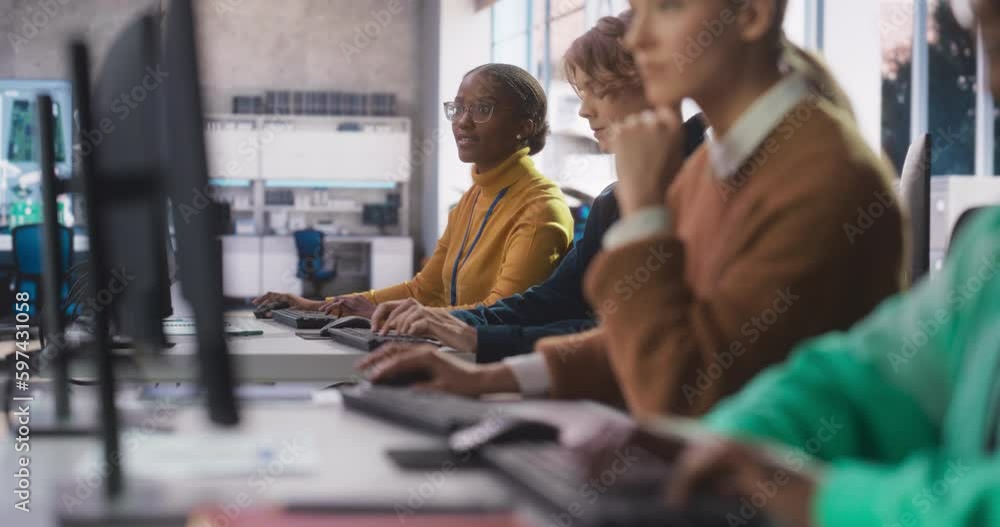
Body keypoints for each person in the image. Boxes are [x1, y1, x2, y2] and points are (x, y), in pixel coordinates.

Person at [360, 0, 907, 418]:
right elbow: (634, 338)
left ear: (754, 14)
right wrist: (485, 378)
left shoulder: (818, 174)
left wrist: (645, 211)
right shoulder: (718, 163)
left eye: (664, 9)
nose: (640, 37)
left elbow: (679, 388)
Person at [652, 1, 1000, 526]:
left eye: (665, 7)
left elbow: (686, 379)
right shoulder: (989, 252)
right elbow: (863, 375)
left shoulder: (825, 174)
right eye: (993, 47)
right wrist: (729, 442)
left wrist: (821, 497)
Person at [364, 12, 707, 363]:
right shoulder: (611, 200)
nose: (584, 111)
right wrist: (453, 323)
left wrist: (474, 337)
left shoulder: (703, 186)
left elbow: (623, 332)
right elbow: (555, 302)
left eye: (598, 89)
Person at [254, 64, 574, 318]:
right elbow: (425, 290)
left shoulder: (540, 209)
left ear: (525, 126)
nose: (462, 122)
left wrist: (382, 313)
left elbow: (502, 314)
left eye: (482, 109)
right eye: (458, 108)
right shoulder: (470, 200)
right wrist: (315, 306)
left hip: (491, 368)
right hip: (450, 350)